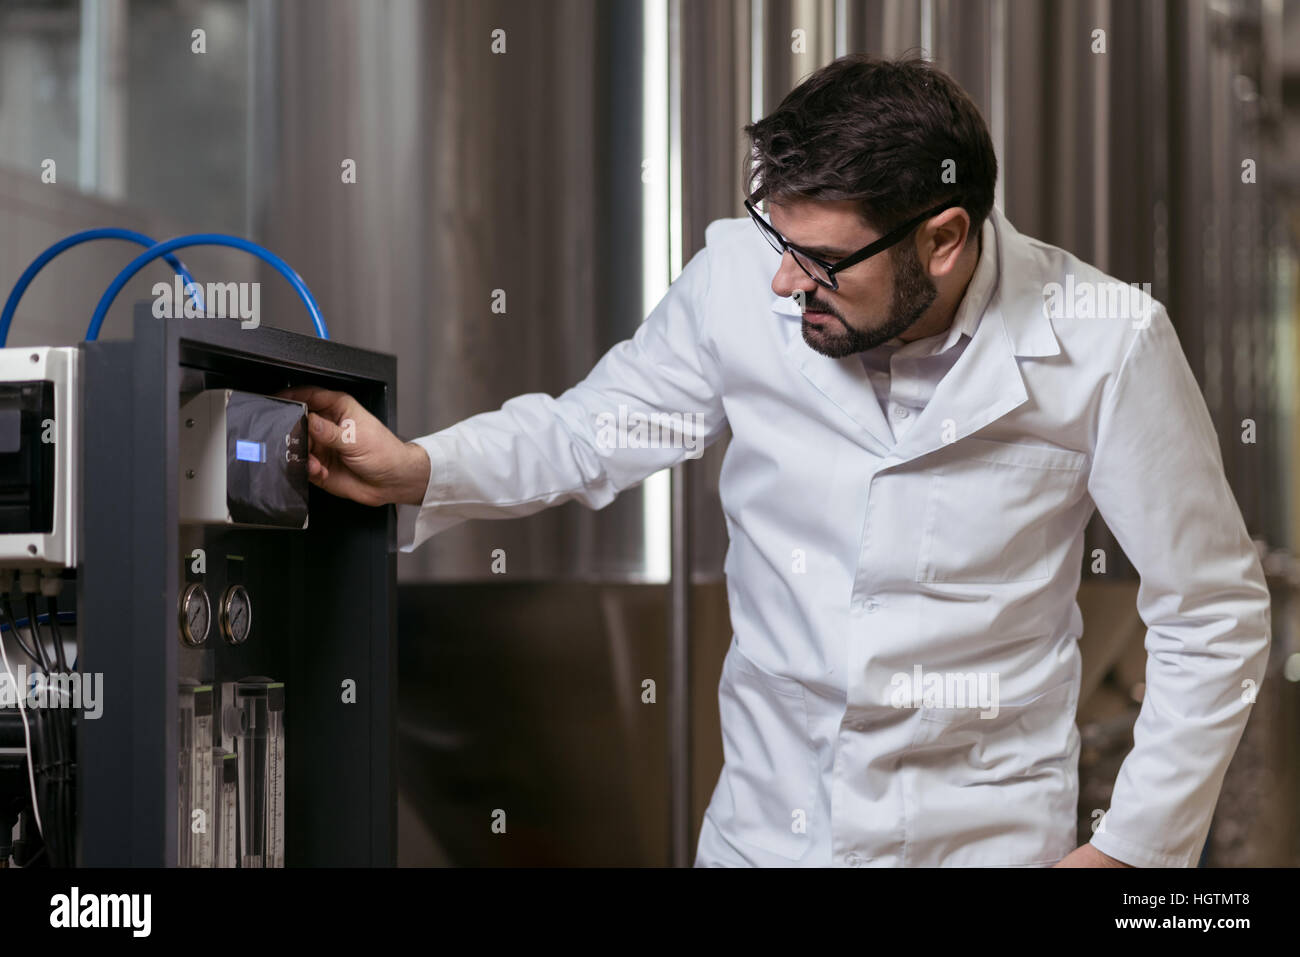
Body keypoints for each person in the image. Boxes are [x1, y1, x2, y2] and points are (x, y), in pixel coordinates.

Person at [279, 54, 1270, 868]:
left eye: (824, 261)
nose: (788, 280)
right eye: (777, 242)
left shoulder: (1104, 342)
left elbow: (1210, 613)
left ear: (944, 238)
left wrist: (1133, 851)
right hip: (766, 834)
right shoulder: (739, 283)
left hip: (981, 843)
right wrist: (417, 468)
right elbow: (595, 431)